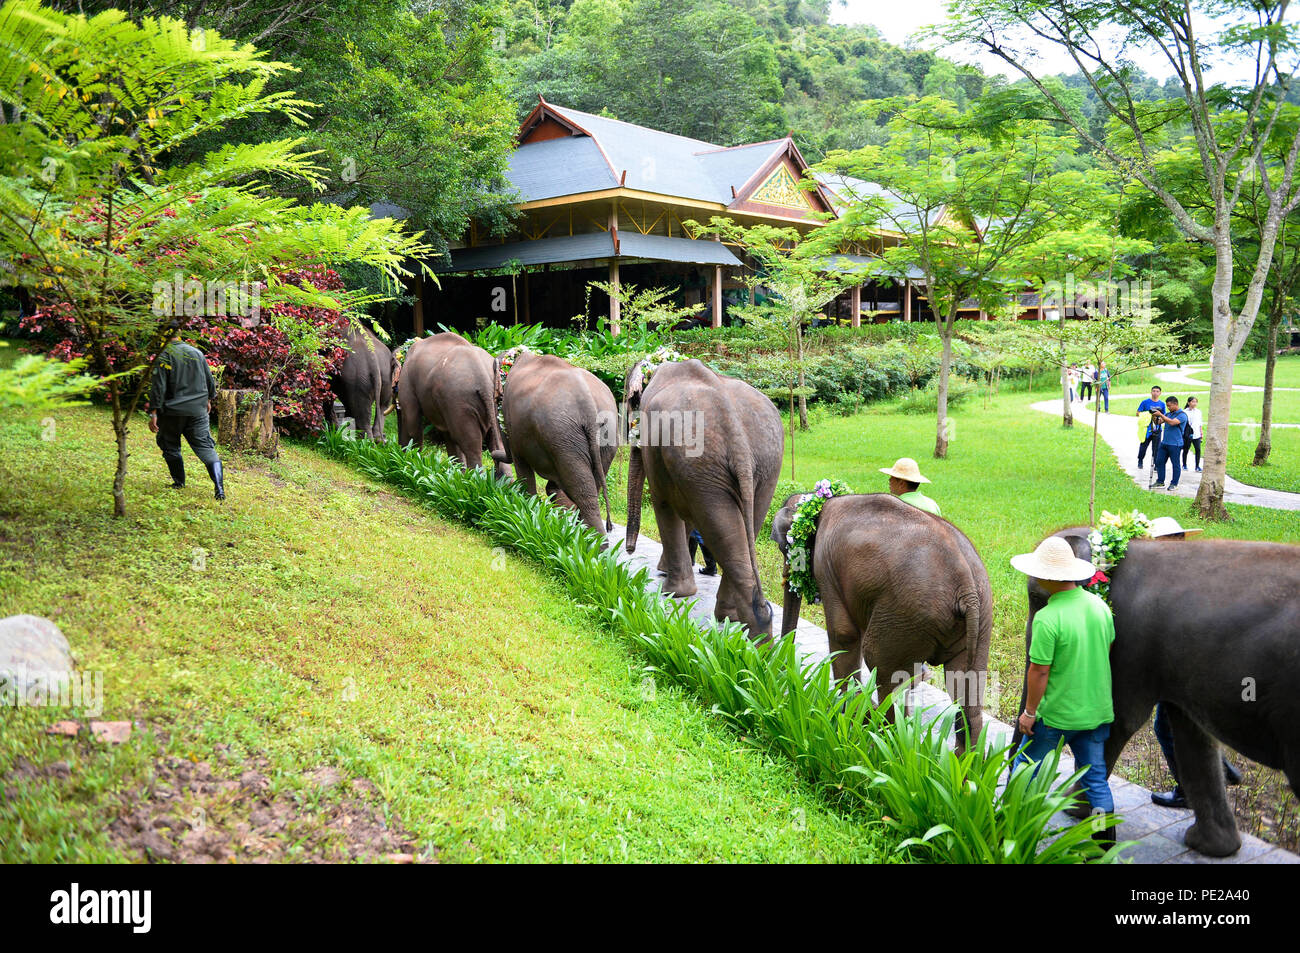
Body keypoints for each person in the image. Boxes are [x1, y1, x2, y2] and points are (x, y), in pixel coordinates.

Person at [1010, 536, 1116, 831]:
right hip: (1095, 713)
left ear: (1045, 576)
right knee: (1095, 780)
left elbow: (1039, 672)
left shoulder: (1048, 617)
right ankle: (1102, 845)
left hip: (1055, 716)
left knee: (1026, 767)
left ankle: (1013, 828)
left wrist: (1029, 713)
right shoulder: (1100, 608)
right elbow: (1103, 653)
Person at [1143, 517, 1244, 808]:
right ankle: (1220, 767)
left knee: (1166, 727)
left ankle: (1189, 790)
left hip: (1186, 669)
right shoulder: (1195, 568)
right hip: (1208, 665)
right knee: (1196, 723)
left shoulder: (1168, 578)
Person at [148, 332, 225, 500]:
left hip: (172, 413)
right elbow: (209, 380)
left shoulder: (164, 356)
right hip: (198, 411)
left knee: (170, 445)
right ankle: (219, 489)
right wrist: (208, 399)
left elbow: (158, 388)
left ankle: (179, 482)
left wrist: (153, 412)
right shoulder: (196, 353)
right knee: (205, 447)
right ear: (180, 333)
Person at [1150, 395, 1188, 490]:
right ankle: (1160, 481)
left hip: (1175, 444)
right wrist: (1154, 415)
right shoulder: (1168, 414)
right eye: (1167, 406)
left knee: (1175, 464)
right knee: (1159, 462)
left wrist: (1161, 414)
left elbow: (1171, 422)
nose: (1168, 407)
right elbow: (1158, 423)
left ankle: (1174, 484)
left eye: (1169, 406)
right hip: (1164, 443)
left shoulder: (1182, 415)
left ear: (1175, 404)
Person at [1136, 385, 1165, 469]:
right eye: (1154, 391)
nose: (1155, 393)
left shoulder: (1162, 404)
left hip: (1157, 429)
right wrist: (1148, 413)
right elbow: (1137, 413)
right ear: (1151, 392)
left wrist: (1160, 420)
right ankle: (1140, 460)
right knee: (1143, 446)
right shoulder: (1145, 402)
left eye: (1157, 391)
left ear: (1160, 393)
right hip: (1146, 429)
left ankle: (1156, 464)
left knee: (1156, 448)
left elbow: (1164, 416)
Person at [1181, 395, 1204, 472]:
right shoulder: (1184, 412)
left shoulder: (1199, 412)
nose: (1194, 403)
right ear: (1188, 402)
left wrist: (1201, 433)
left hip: (1196, 434)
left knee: (1198, 450)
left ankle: (1197, 466)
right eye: (1193, 402)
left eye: (1196, 402)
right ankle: (1184, 465)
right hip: (1187, 434)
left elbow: (1200, 423)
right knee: (1186, 450)